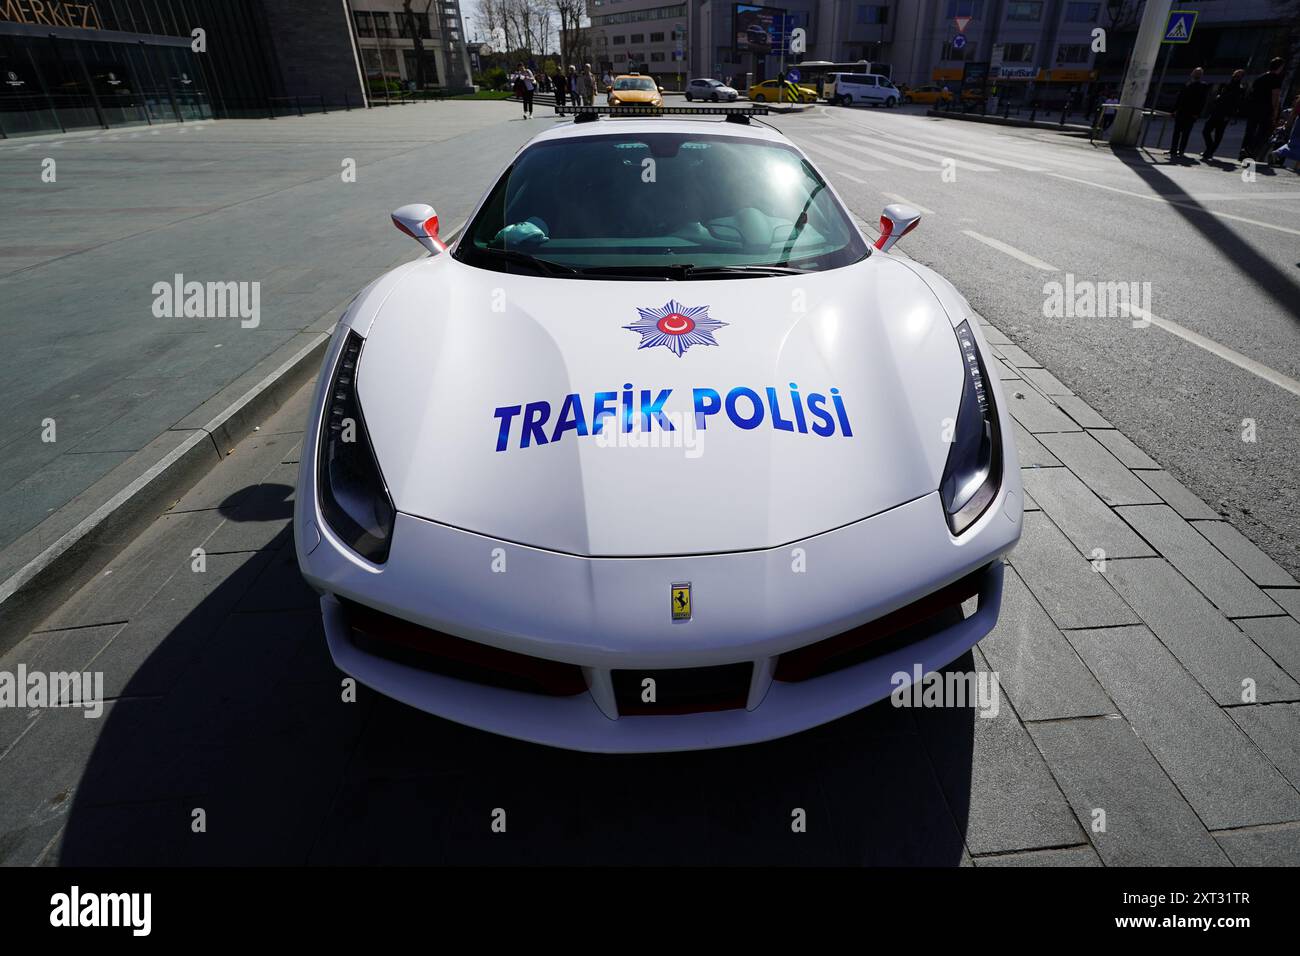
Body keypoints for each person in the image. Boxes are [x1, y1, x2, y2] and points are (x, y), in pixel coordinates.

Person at [1240, 57, 1285, 162]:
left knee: (1250, 131)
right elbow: (1275, 96)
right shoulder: (1276, 78)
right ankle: (1251, 151)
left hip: (1254, 108)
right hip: (1266, 109)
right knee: (1263, 132)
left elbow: (1252, 92)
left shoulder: (1260, 77)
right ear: (1280, 67)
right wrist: (1275, 112)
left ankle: (1243, 151)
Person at [1200, 69, 1243, 160]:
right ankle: (1210, 149)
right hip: (1217, 111)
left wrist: (1230, 115)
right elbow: (1220, 98)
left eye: (1238, 76)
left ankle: (1209, 152)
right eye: (1235, 75)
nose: (1236, 77)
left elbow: (1236, 103)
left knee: (1218, 134)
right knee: (1206, 131)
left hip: (1225, 114)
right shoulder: (1227, 85)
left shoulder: (1239, 88)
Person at [1169, 67, 1209, 159]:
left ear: (1201, 75)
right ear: (1192, 73)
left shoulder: (1203, 86)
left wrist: (1197, 114)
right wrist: (1173, 110)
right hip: (1181, 112)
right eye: (1195, 72)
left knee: (1185, 133)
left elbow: (1202, 101)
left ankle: (1181, 151)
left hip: (1191, 114)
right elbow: (1179, 98)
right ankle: (1173, 150)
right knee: (1176, 132)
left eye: (1199, 73)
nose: (1196, 75)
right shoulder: (1186, 84)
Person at [1268, 93, 1300, 170]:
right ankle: (1277, 153)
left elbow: (1294, 112)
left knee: (1292, 142)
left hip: (1298, 122)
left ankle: (1277, 153)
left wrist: (1288, 124)